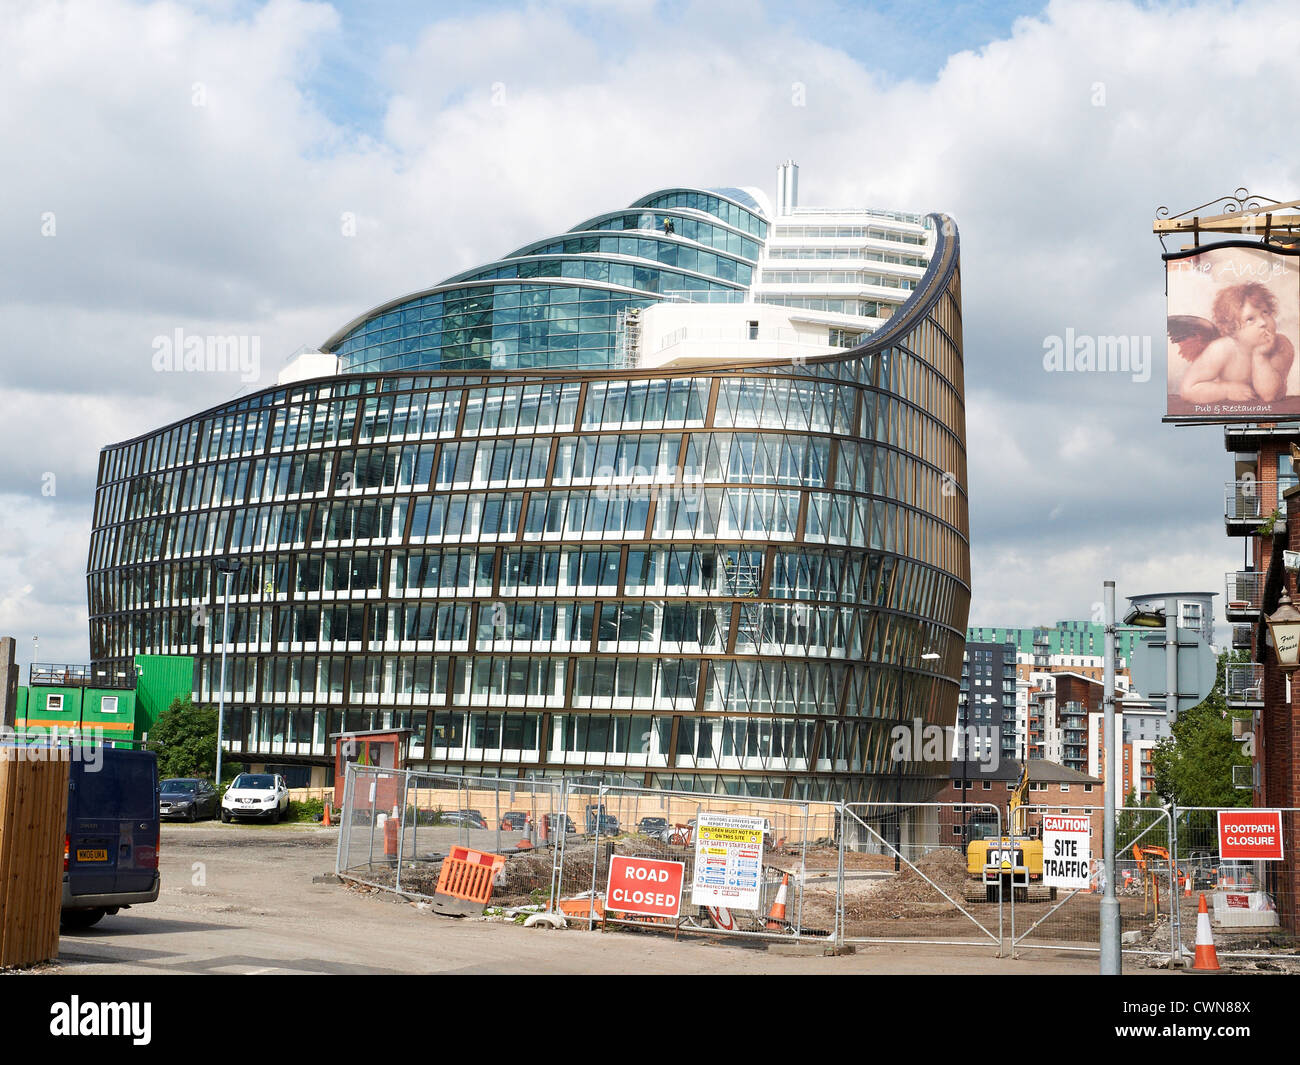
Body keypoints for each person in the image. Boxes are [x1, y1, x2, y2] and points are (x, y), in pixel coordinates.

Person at [1178, 282, 1294, 404]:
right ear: (1232, 330)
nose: (1263, 322)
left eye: (1265, 312)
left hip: (1265, 412)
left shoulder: (1281, 345)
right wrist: (1226, 390)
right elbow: (1187, 390)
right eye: (1250, 319)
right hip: (1229, 411)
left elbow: (1270, 395)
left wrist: (1260, 356)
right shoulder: (1221, 349)